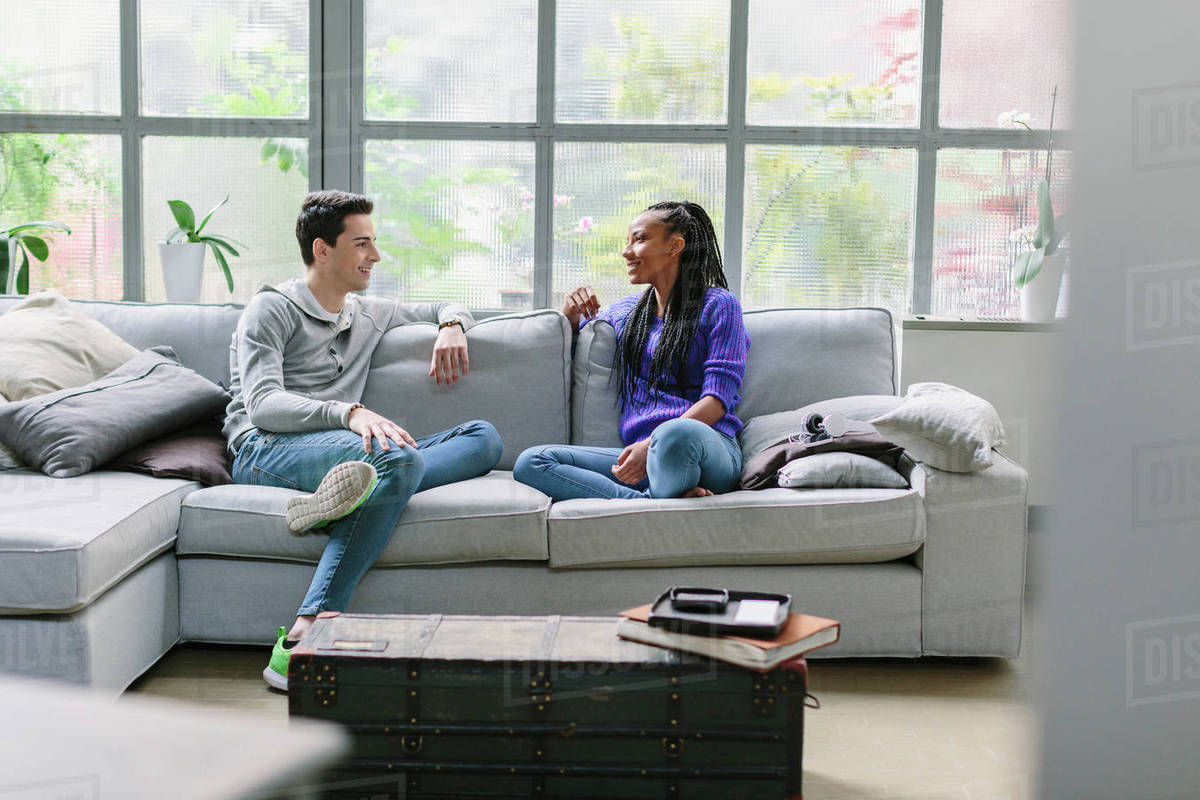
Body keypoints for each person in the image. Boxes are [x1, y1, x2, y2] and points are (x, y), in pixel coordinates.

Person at [222, 190, 503, 691]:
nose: (375, 256)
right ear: (322, 250)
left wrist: (452, 324)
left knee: (484, 438)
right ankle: (309, 629)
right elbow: (263, 404)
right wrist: (347, 412)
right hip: (266, 448)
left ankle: (336, 500)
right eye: (362, 244)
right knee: (397, 461)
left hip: (345, 451)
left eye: (373, 243)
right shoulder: (270, 310)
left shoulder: (367, 312)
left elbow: (446, 304)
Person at [513, 201, 749, 501]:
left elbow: (716, 401)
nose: (626, 252)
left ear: (675, 246)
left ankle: (659, 495)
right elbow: (569, 353)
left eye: (639, 239)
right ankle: (647, 502)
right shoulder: (627, 313)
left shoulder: (720, 305)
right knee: (533, 461)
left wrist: (651, 444)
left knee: (675, 434)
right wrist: (570, 315)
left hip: (705, 447)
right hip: (640, 460)